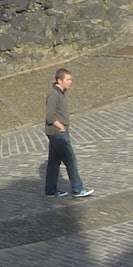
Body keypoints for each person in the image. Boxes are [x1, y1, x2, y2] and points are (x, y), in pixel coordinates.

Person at [44, 67, 95, 198]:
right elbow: (50, 116)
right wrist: (61, 127)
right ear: (59, 80)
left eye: (71, 79)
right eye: (67, 79)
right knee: (70, 160)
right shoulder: (53, 95)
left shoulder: (60, 94)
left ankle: (50, 190)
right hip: (57, 133)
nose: (70, 82)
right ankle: (77, 189)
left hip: (56, 132)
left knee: (54, 162)